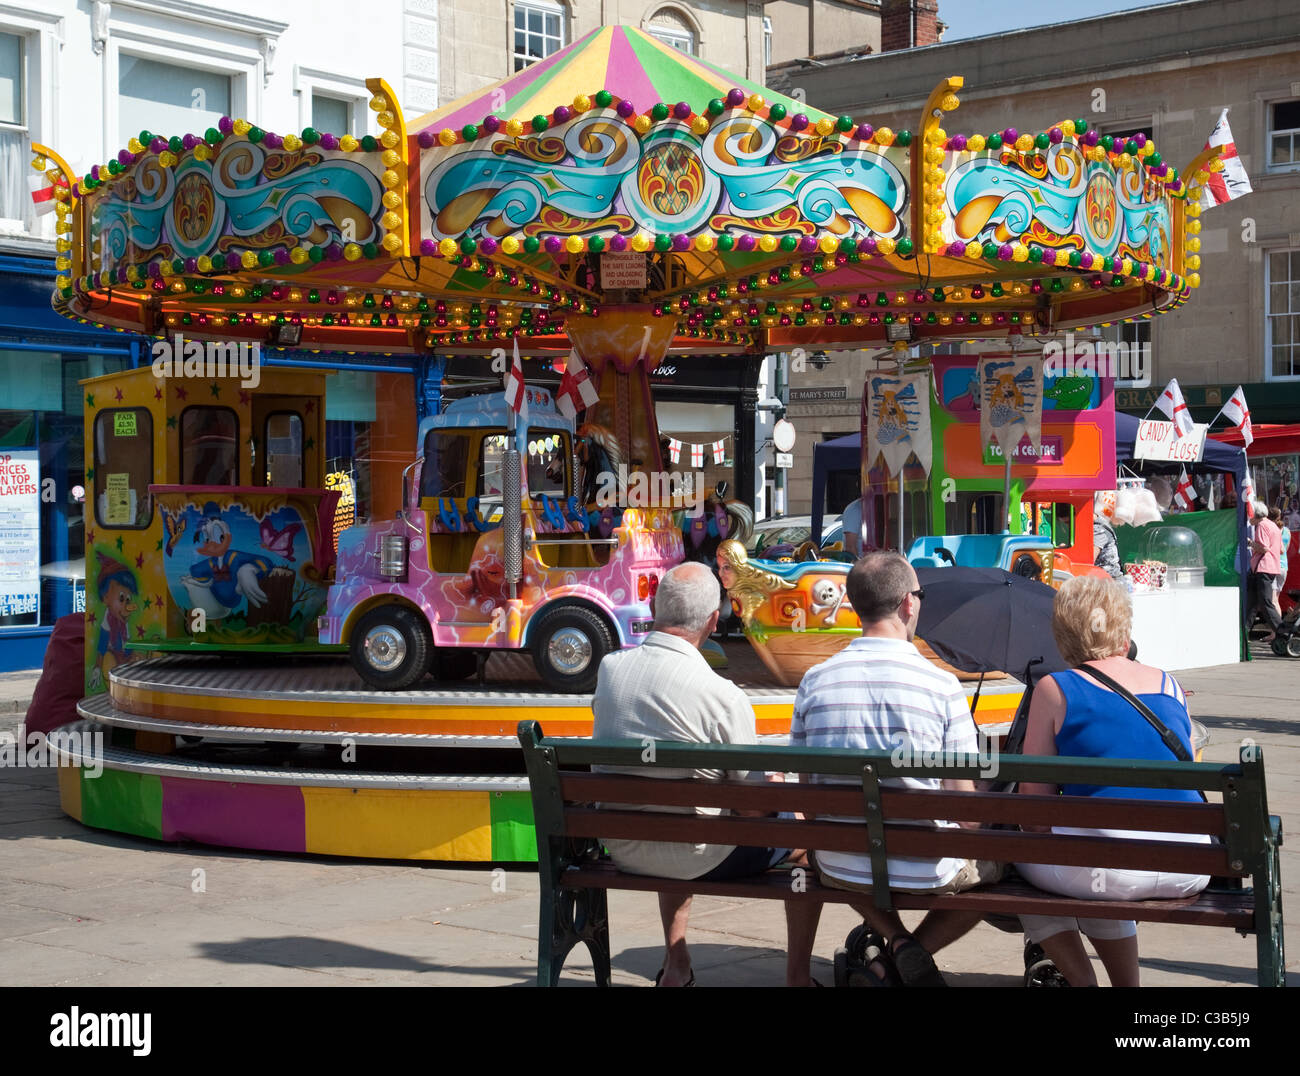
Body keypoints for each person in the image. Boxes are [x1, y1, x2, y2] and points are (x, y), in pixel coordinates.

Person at [785, 552, 998, 987]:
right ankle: (900, 956)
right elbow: (965, 810)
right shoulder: (942, 687)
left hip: (839, 862)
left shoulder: (815, 681)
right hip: (927, 868)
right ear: (907, 604)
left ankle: (895, 945)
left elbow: (805, 792)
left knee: (842, 851)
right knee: (999, 872)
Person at [590, 561, 795, 987]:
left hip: (624, 847)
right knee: (810, 837)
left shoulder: (610, 671)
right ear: (712, 622)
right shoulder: (722, 695)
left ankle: (677, 963)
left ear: (655, 606)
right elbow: (754, 811)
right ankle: (799, 974)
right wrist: (773, 791)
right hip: (702, 857)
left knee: (678, 810)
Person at [1016, 575, 1210, 987]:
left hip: (1114, 871)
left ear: (1063, 633)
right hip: (1191, 865)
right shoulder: (1169, 684)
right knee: (1098, 864)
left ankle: (1084, 984)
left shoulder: (1055, 689)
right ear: (1124, 628)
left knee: (1021, 868)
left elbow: (1033, 812)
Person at [1246, 500, 1285, 642]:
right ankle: (1242, 633)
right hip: (1271, 567)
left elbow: (1263, 547)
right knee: (1252, 604)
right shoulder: (1273, 526)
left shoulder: (1261, 525)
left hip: (1263, 567)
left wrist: (1250, 543)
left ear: (1255, 514)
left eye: (1249, 513)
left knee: (1264, 603)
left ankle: (1282, 631)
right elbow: (1280, 549)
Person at [1269, 506, 1291, 622]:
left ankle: (1276, 631)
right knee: (1276, 599)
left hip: (1274, 566)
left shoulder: (1271, 530)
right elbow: (1285, 550)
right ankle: (1276, 630)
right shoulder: (1287, 531)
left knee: (1273, 601)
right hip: (1284, 567)